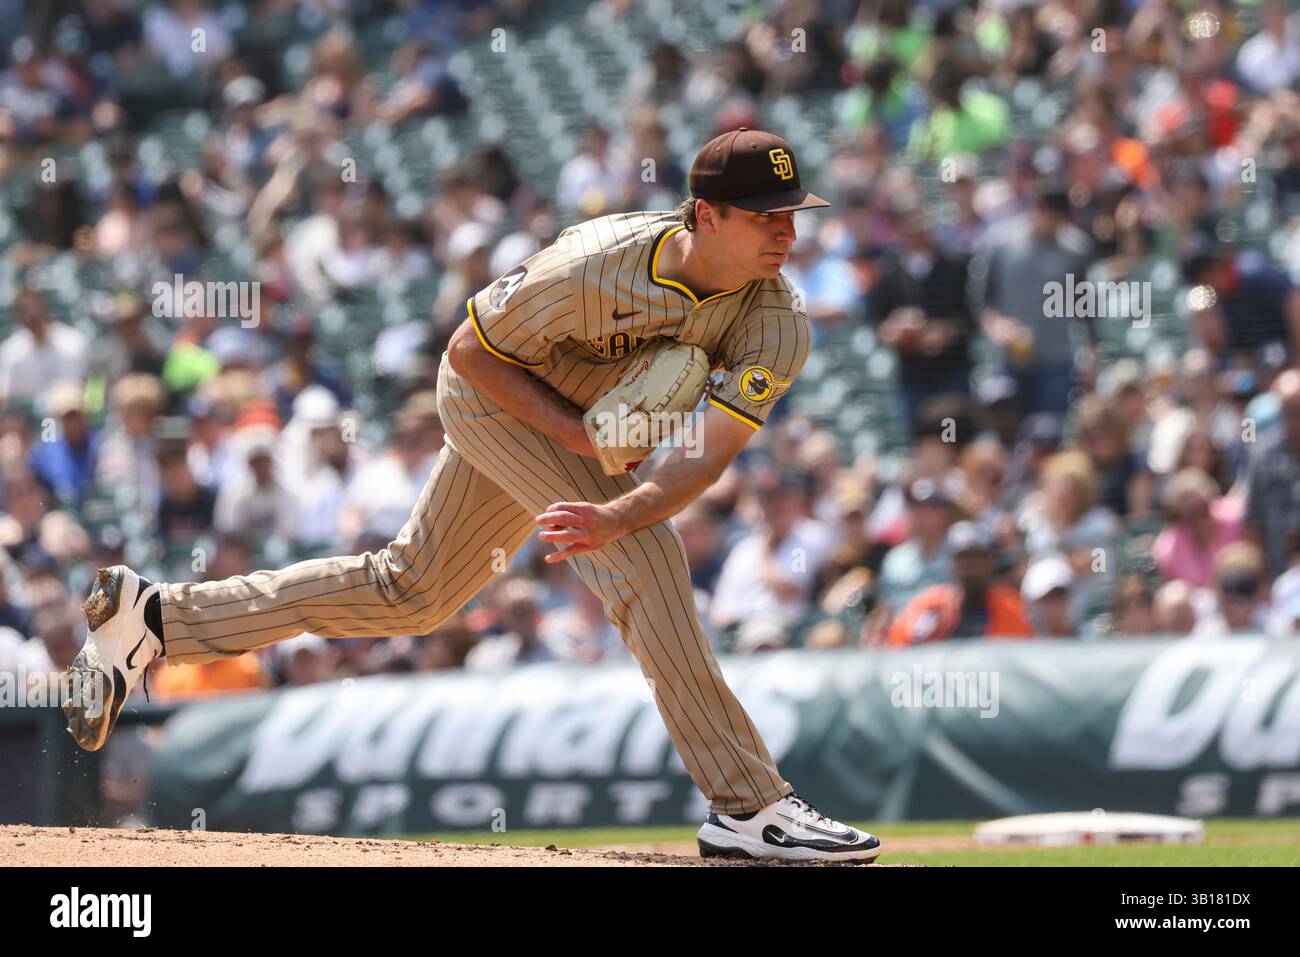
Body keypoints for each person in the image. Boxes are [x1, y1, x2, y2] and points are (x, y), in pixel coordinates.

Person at [62, 129, 881, 864]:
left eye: (793, 212)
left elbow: (707, 455)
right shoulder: (596, 263)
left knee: (410, 590)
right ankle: (746, 806)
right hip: (493, 395)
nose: (788, 230)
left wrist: (619, 504)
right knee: (648, 563)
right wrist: (577, 445)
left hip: (573, 423)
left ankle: (157, 618)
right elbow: (468, 351)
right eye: (765, 213)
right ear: (705, 215)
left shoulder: (778, 321)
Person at [887, 521, 1033, 644]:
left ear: (990, 563)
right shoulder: (929, 605)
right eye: (963, 559)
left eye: (977, 559)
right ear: (952, 564)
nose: (971, 567)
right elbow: (899, 646)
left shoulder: (1012, 605)